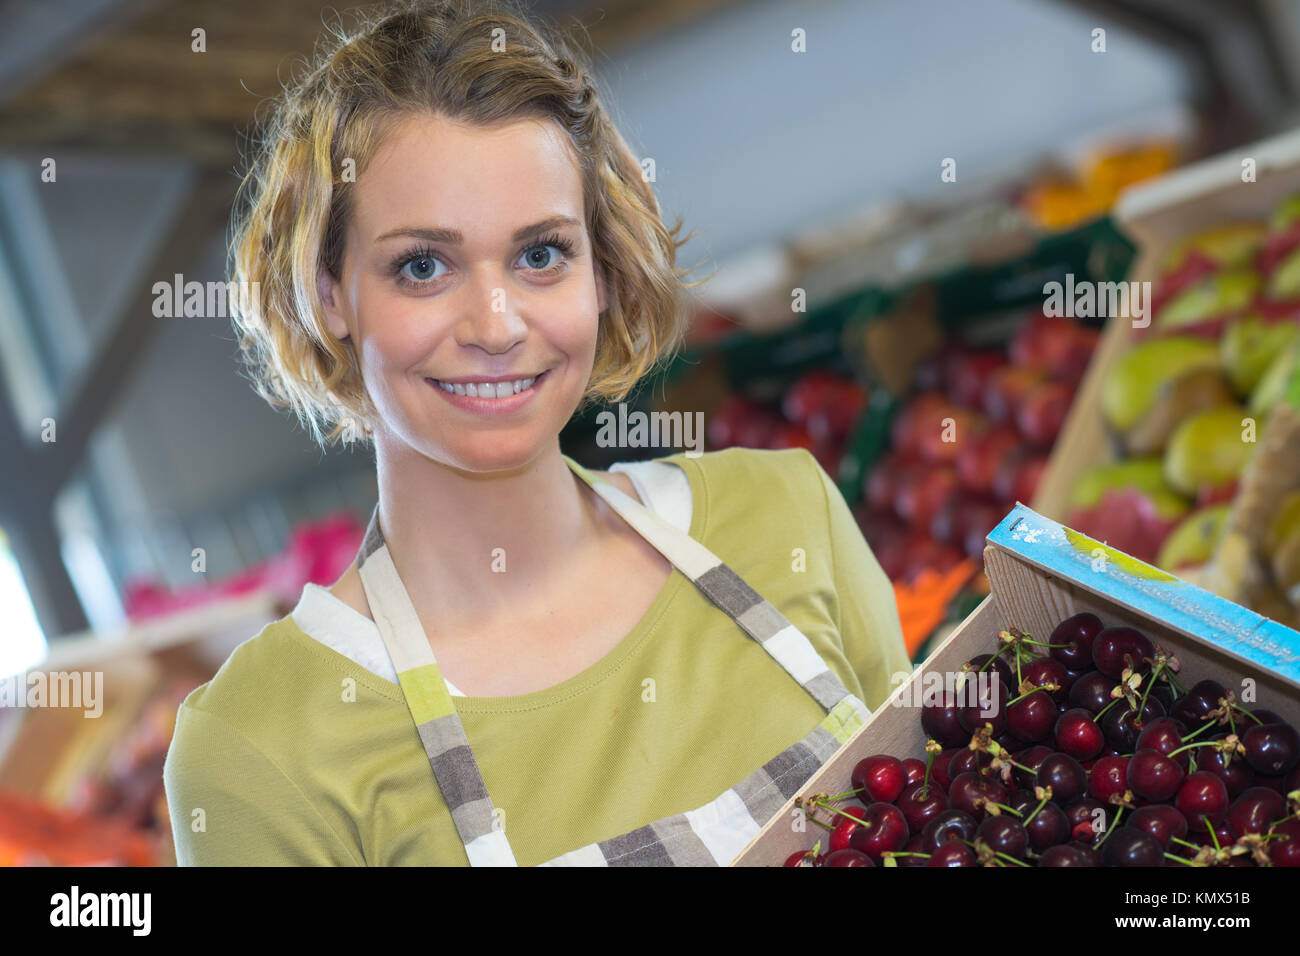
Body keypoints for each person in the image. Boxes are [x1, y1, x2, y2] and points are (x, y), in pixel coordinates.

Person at [162, 0, 909, 866]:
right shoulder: (258, 748)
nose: (496, 324)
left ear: (602, 267)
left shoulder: (788, 519)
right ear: (328, 293)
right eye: (422, 266)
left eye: (541, 253)